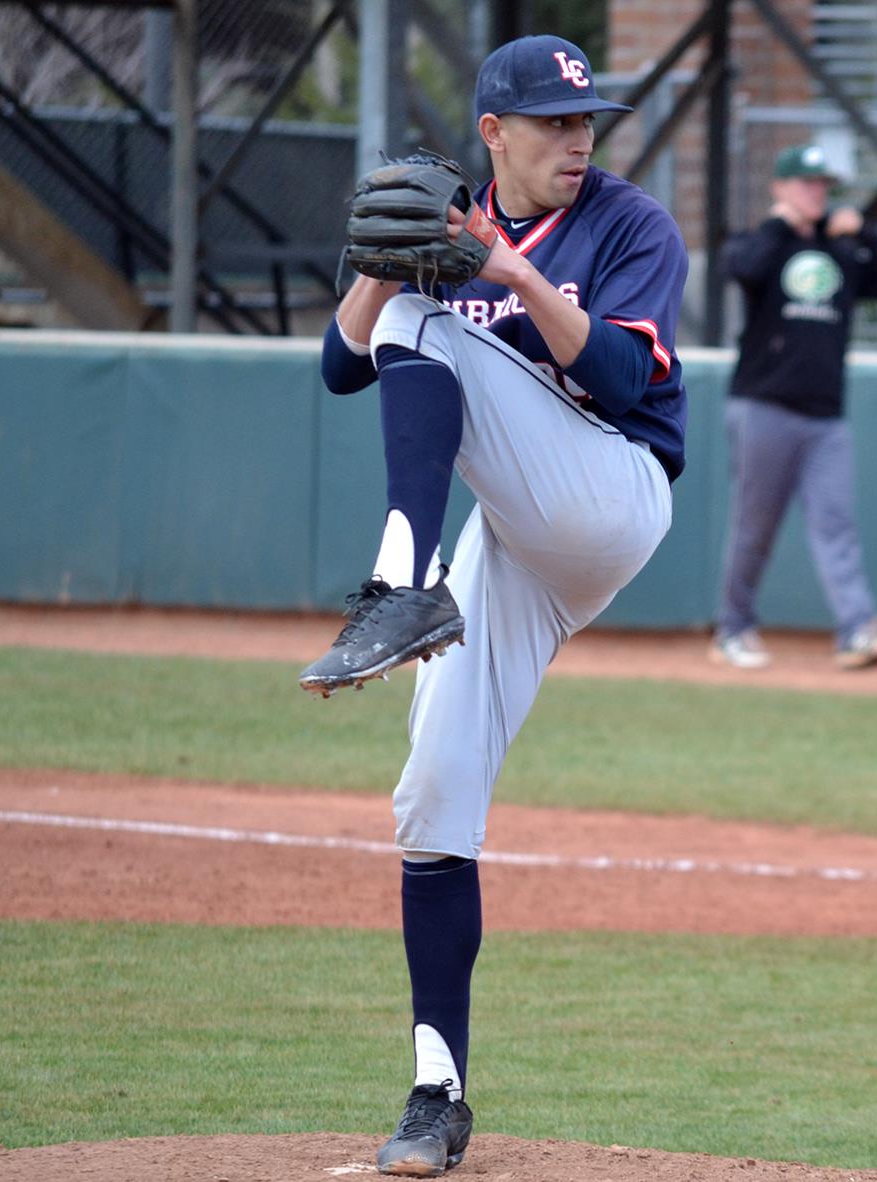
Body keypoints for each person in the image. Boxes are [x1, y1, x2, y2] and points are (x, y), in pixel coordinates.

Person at [305, 34, 687, 1177]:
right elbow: (336, 364)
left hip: (608, 490)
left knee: (429, 326)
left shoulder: (628, 226)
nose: (578, 141)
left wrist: (508, 274)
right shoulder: (449, 222)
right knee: (432, 795)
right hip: (512, 537)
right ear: (493, 134)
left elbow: (625, 381)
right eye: (554, 123)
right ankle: (437, 1094)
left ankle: (399, 587)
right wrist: (381, 261)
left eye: (586, 124)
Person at [710, 143, 877, 671]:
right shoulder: (765, 243)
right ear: (780, 188)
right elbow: (742, 268)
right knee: (756, 527)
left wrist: (863, 231)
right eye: (805, 183)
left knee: (837, 524)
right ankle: (733, 629)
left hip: (824, 415)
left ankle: (857, 630)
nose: (815, 193)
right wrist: (781, 224)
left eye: (822, 185)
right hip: (763, 406)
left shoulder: (838, 251)